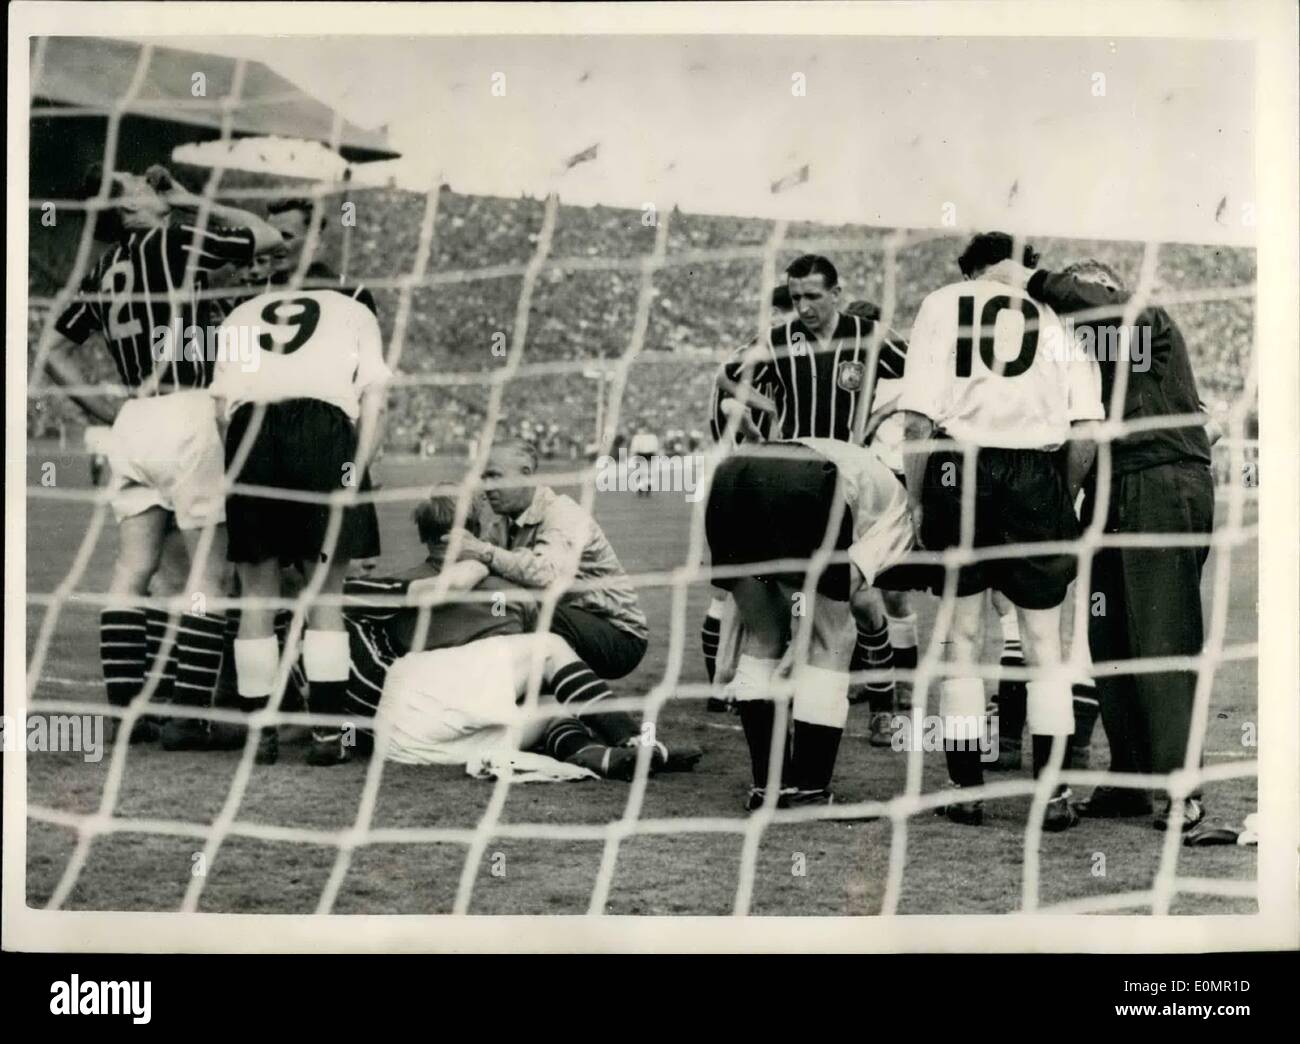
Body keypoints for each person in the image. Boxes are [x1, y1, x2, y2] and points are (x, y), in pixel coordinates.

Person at [42, 162, 283, 748]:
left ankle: (129, 714)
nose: (153, 184)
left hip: (134, 419)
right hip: (187, 409)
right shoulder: (176, 238)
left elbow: (51, 351)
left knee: (133, 570)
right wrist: (187, 197)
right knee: (208, 573)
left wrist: (104, 414)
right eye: (139, 184)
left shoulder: (103, 268)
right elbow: (269, 236)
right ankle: (188, 716)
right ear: (131, 205)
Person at [983, 254, 1215, 832]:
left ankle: (1180, 792)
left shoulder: (1144, 320)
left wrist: (1033, 280)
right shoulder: (1092, 351)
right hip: (1115, 492)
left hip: (1159, 482)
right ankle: (1130, 781)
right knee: (1109, 639)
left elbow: (1104, 308)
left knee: (1161, 637)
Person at [897, 231, 1104, 830]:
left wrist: (916, 498)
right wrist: (1056, 493)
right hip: (1036, 470)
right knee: (1046, 644)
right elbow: (1086, 429)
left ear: (970, 271)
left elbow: (916, 417)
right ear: (1027, 266)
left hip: (958, 468)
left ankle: (967, 790)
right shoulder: (1059, 311)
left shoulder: (942, 302)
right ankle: (1054, 795)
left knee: (961, 638)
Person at [340, 495, 701, 777]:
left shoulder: (400, 589)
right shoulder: (495, 590)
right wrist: (483, 560)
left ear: (423, 535)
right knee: (549, 653)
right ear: (472, 531)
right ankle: (634, 738)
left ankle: (601, 758)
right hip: (438, 702)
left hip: (406, 739)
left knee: (549, 711)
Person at [208, 239, 390, 767]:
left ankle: (259, 735)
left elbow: (222, 410)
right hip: (321, 430)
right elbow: (376, 399)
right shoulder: (353, 307)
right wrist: (356, 467)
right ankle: (328, 736)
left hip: (250, 431)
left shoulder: (241, 312)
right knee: (324, 594)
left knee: (257, 594)